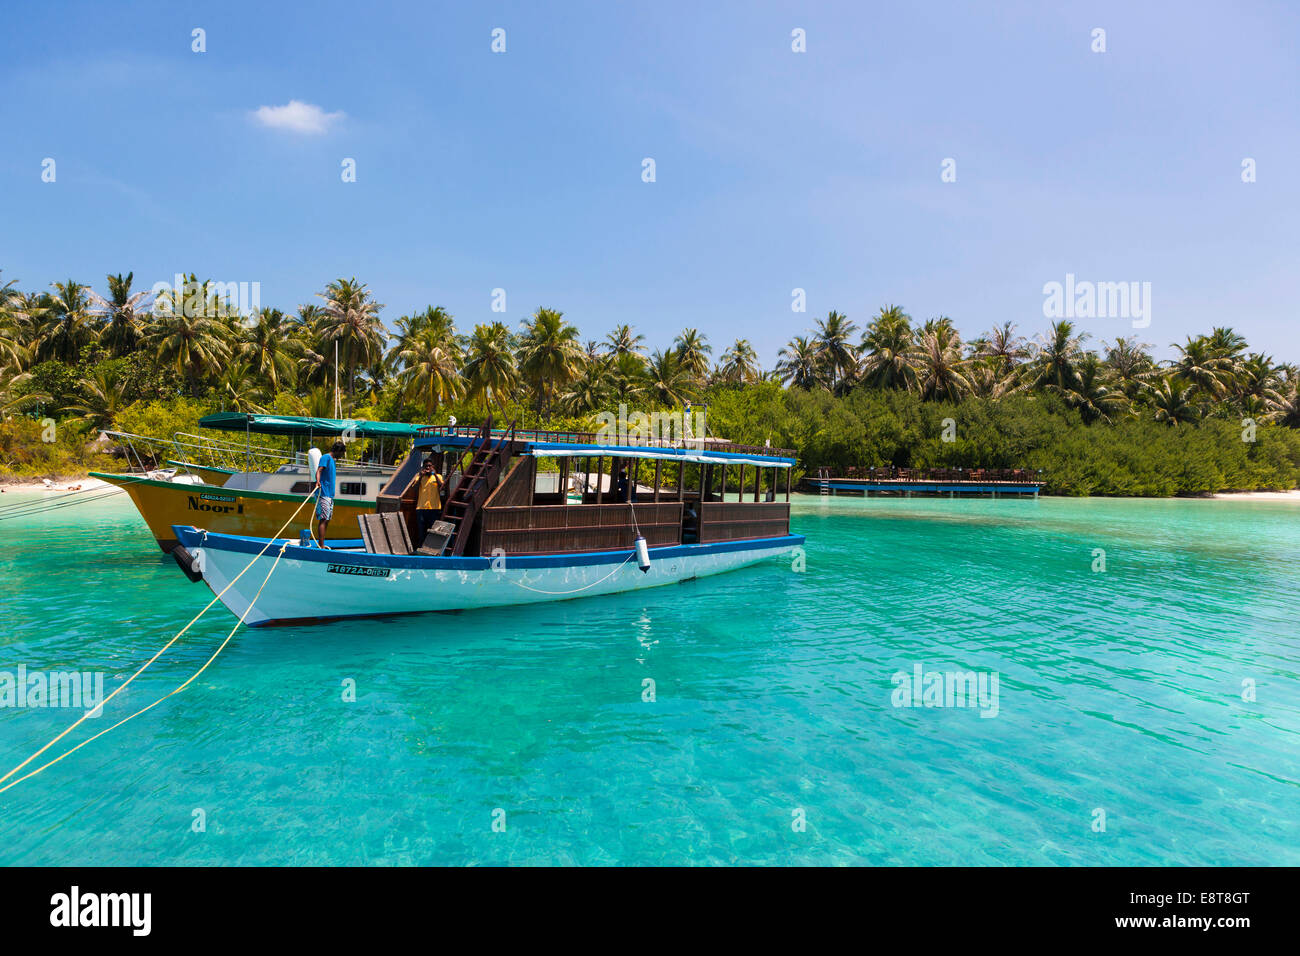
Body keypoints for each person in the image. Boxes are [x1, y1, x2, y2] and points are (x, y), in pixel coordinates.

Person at [315, 441, 344, 547]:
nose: (341, 456)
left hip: (330, 495)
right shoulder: (326, 457)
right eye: (341, 453)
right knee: (323, 519)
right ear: (337, 451)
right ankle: (321, 546)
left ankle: (322, 543)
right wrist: (318, 482)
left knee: (327, 519)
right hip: (323, 493)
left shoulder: (332, 460)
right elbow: (319, 470)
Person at [414, 456, 444, 541]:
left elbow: (442, 487)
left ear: (432, 467)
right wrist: (420, 476)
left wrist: (434, 474)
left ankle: (431, 549)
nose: (427, 467)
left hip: (434, 508)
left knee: (433, 530)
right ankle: (421, 548)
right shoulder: (420, 477)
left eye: (429, 466)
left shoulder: (438, 476)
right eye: (426, 466)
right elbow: (415, 489)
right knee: (421, 530)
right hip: (421, 508)